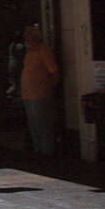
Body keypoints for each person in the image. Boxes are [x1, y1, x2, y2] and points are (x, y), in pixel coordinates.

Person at [21, 25, 60, 156]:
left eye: (29, 36)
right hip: (28, 94)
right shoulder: (29, 52)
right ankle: (38, 150)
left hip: (40, 94)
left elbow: (54, 72)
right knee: (33, 125)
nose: (26, 38)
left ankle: (47, 152)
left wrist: (49, 87)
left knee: (43, 124)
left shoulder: (43, 51)